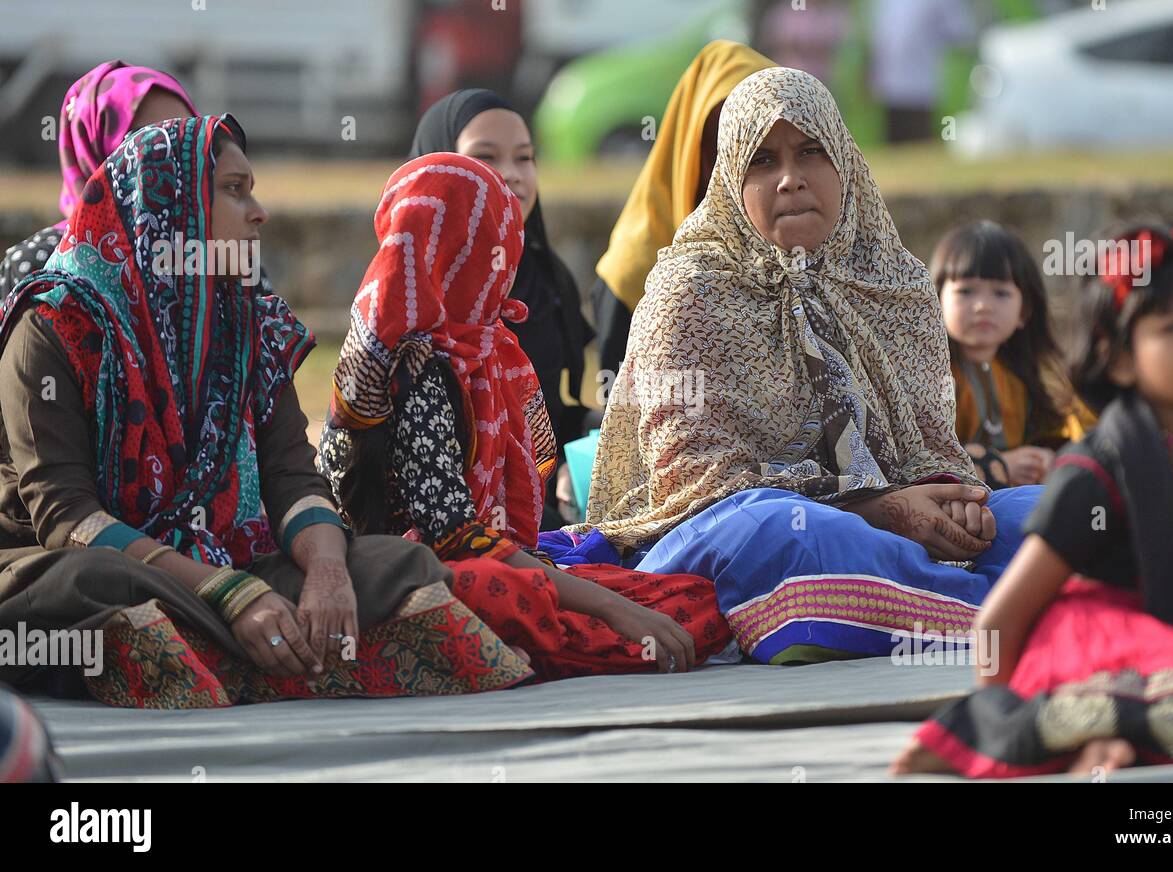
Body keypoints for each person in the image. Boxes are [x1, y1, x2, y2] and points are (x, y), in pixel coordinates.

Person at [0, 116, 532, 707]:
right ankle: (253, 649)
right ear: (170, 208)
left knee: (399, 563)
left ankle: (203, 653)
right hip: (95, 560)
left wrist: (327, 574)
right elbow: (68, 518)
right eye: (234, 190)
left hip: (230, 555)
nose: (259, 212)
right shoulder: (55, 326)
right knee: (95, 582)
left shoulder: (248, 323)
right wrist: (228, 592)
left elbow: (292, 477)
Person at [570, 67, 1041, 665]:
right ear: (731, 182)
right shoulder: (687, 290)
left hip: (886, 526)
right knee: (791, 533)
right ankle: (1015, 614)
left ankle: (929, 608)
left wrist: (953, 503)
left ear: (845, 163)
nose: (790, 179)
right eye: (762, 162)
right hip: (721, 533)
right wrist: (878, 512)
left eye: (811, 153)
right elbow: (696, 486)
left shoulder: (893, 281)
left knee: (1038, 513)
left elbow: (930, 447)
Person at [893, 224, 1173, 777]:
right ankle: (1076, 734)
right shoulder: (1099, 468)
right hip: (1098, 646)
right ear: (1120, 359)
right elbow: (998, 621)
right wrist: (1002, 717)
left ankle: (1115, 741)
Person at [319, 152, 731, 681]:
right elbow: (454, 538)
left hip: (494, 561)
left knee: (688, 594)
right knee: (531, 600)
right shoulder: (410, 366)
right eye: (497, 233)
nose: (508, 253)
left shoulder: (487, 353)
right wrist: (610, 607)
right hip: (417, 581)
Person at [409, 88, 593, 529]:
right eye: (486, 157)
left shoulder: (547, 280)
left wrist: (597, 437)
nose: (511, 176)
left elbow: (551, 407)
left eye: (525, 157)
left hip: (548, 487)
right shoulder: (413, 297)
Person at [591, 40, 773, 374]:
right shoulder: (633, 273)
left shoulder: (803, 256)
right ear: (692, 142)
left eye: (761, 148)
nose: (735, 165)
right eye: (722, 140)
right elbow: (619, 415)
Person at [1, 60, 197, 299]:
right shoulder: (41, 265)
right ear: (90, 149)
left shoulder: (220, 258)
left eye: (186, 137)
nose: (171, 155)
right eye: (150, 142)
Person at [931, 220, 1095, 487]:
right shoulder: (924, 376)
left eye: (1001, 293)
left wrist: (1047, 459)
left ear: (1025, 311)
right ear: (935, 299)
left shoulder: (1040, 377)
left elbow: (1077, 435)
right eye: (966, 291)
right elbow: (920, 459)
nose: (983, 306)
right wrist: (999, 464)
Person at [870, 0, 976, 143]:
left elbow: (962, 35)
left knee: (920, 146)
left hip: (921, 89)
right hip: (890, 87)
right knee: (894, 150)